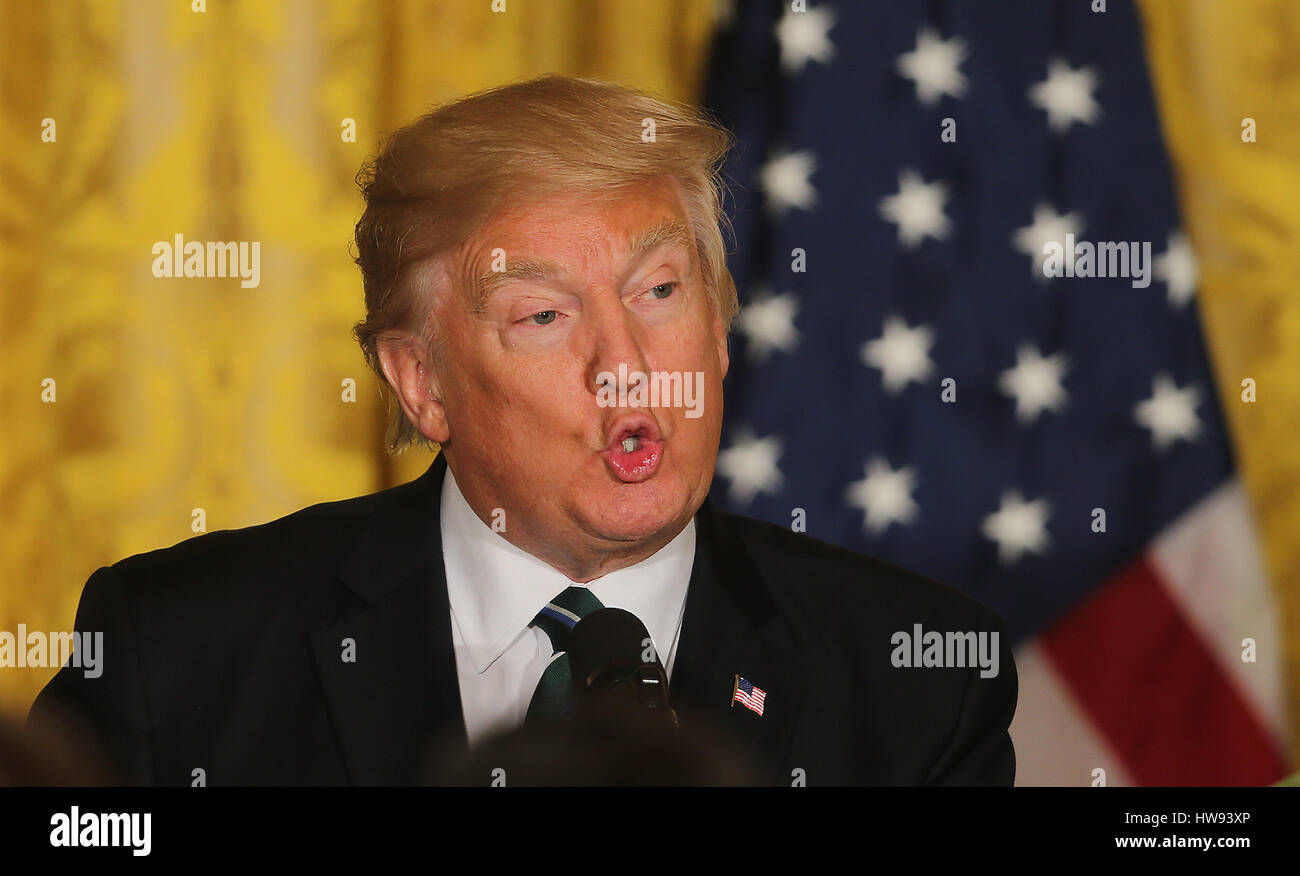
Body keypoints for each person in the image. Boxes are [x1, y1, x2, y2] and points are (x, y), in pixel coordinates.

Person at [29, 75, 1016, 786]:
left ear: (719, 332)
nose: (624, 364)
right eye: (542, 318)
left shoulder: (916, 679)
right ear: (422, 386)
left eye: (661, 291)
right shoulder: (179, 653)